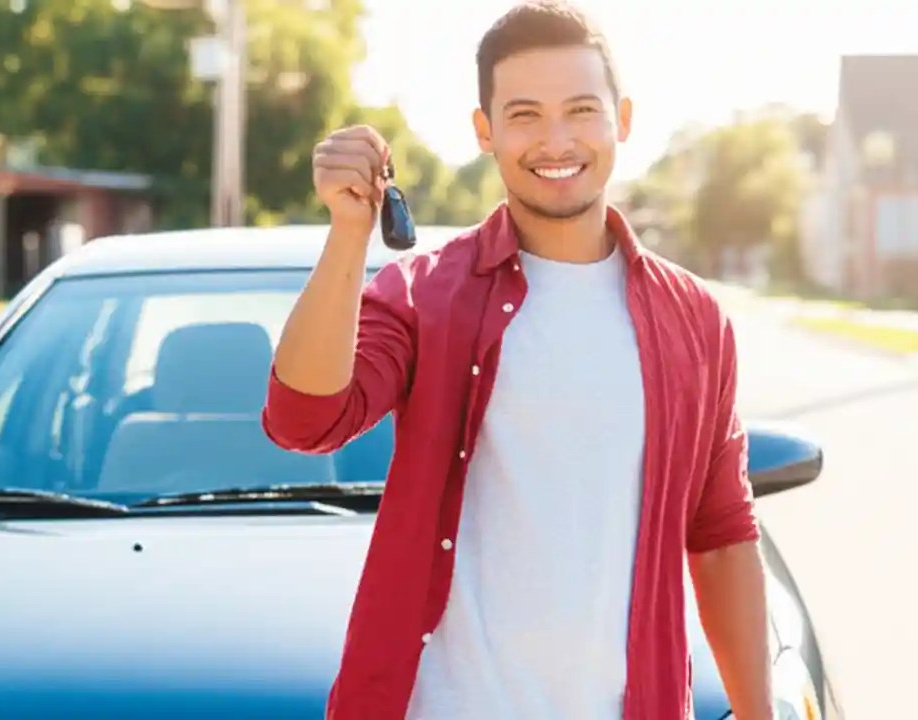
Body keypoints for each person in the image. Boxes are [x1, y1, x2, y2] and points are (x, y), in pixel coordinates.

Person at [262, 2, 772, 718]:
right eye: (525, 114)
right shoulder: (422, 294)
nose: (555, 139)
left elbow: (721, 539)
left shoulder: (695, 320)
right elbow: (303, 419)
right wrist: (350, 235)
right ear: (485, 132)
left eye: (581, 110)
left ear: (621, 120)